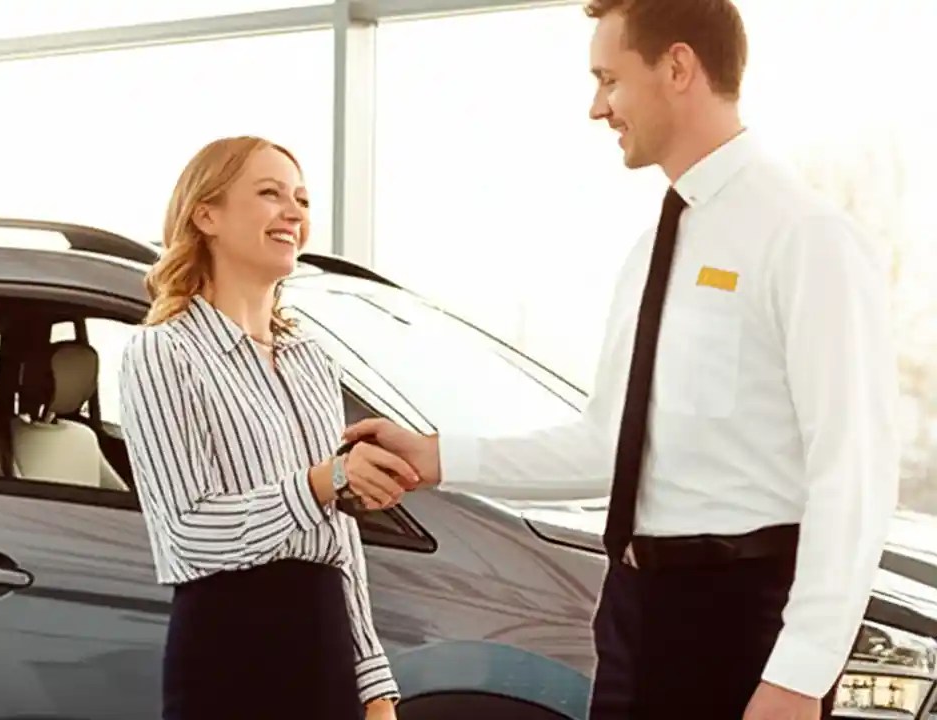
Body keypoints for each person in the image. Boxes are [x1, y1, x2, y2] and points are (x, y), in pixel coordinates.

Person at [342, 1, 900, 718]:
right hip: (636, 618)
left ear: (677, 67)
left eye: (609, 79)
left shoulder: (805, 237)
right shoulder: (652, 252)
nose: (597, 107)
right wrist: (434, 456)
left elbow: (853, 474)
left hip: (742, 629)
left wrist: (799, 674)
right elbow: (610, 446)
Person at [118, 136, 414, 720]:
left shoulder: (311, 360)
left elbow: (339, 542)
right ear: (207, 215)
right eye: (270, 193)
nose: (294, 213)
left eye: (301, 199)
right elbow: (186, 534)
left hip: (324, 644)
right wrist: (321, 483)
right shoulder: (161, 354)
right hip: (229, 654)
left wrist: (375, 688)